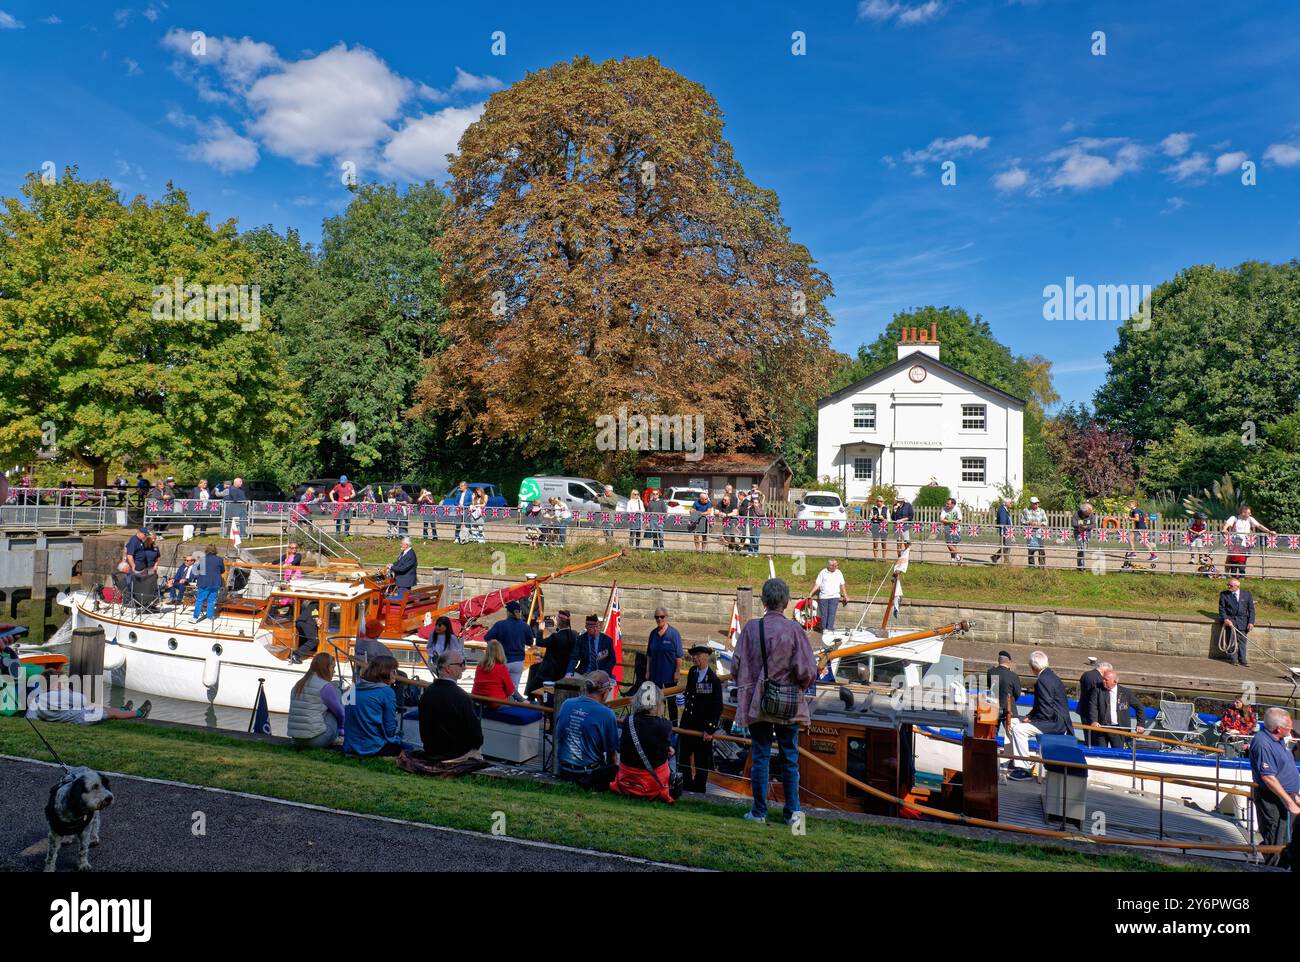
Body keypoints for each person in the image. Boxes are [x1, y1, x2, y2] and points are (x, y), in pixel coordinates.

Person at [733, 577, 817, 824]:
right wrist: (798, 684)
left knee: (760, 756)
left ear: (763, 601)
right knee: (789, 758)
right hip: (789, 702)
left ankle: (759, 812)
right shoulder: (794, 630)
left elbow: (737, 664)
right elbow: (807, 671)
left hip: (758, 703)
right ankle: (792, 813)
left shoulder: (750, 628)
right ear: (787, 602)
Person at [1007, 650, 1072, 780]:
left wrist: (1032, 720)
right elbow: (1039, 705)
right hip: (1054, 719)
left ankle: (1024, 769)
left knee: (1019, 730)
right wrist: (1029, 717)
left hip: (1055, 723)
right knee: (1013, 721)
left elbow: (1046, 709)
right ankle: (1014, 759)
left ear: (1032, 667)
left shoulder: (1042, 681)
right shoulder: (1050, 676)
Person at [1248, 707, 1298, 869]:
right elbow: (1268, 777)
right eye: (1289, 727)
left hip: (1287, 796)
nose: (1291, 730)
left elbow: (1284, 771)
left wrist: (1294, 797)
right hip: (1272, 799)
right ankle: (1274, 868)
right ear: (1278, 728)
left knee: (1288, 838)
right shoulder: (1263, 743)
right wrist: (1289, 801)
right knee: (1276, 839)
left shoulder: (1279, 740)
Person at [610, 682, 677, 802]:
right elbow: (661, 750)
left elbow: (622, 747)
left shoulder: (628, 721)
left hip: (627, 779)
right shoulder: (665, 725)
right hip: (652, 782)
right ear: (657, 703)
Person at [555, 670, 620, 788]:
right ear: (605, 692)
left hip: (563, 769)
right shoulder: (606, 714)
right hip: (588, 775)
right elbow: (612, 754)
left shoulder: (567, 704)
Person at [418, 650, 485, 761]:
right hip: (455, 754)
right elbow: (476, 736)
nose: (464, 668)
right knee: (477, 751)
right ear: (448, 668)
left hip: (431, 750)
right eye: (461, 664)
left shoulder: (427, 692)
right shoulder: (461, 696)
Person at [343, 655, 407, 757]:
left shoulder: (354, 689)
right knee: (409, 749)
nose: (395, 674)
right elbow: (390, 729)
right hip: (371, 748)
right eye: (394, 671)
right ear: (385, 672)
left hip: (350, 746)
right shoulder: (386, 692)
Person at [679, 644, 723, 792]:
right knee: (683, 756)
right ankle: (685, 785)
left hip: (702, 727)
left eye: (697, 655)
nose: (694, 658)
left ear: (706, 657)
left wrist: (710, 729)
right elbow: (690, 693)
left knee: (701, 760)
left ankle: (699, 789)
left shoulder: (713, 680)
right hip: (688, 723)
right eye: (693, 655)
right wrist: (682, 698)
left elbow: (717, 707)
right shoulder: (693, 672)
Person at [25, 672, 150, 723]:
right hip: (82, 718)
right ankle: (139, 713)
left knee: (94, 706)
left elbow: (30, 717)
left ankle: (123, 710)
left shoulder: (37, 699)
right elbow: (82, 700)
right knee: (110, 713)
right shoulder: (59, 695)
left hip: (71, 715)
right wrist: (69, 692)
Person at [287, 652, 346, 749]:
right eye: (333, 667)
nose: (334, 671)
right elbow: (341, 714)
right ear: (326, 668)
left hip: (296, 740)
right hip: (316, 741)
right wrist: (342, 731)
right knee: (335, 711)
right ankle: (340, 738)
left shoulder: (299, 684)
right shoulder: (325, 686)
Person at [526, 609, 578, 699]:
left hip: (550, 671)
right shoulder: (574, 634)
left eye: (557, 619)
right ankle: (532, 696)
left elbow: (539, 642)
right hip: (563, 669)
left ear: (559, 621)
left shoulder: (555, 637)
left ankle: (530, 699)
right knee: (536, 667)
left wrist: (540, 630)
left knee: (535, 669)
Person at [1088, 669, 1145, 749]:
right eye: (1103, 679)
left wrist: (1140, 724)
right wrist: (1094, 721)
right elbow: (1092, 706)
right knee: (1100, 752)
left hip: (1119, 729)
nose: (1103, 681)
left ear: (1114, 682)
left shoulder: (1126, 693)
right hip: (1101, 727)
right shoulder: (1098, 690)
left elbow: (1140, 707)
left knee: (1118, 752)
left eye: (1106, 680)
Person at [646, 607, 684, 723]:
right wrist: (647, 671)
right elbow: (649, 655)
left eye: (661, 617)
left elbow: (679, 656)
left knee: (671, 702)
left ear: (666, 617)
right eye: (656, 617)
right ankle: (658, 723)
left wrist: (677, 672)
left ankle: (674, 725)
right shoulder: (653, 634)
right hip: (655, 674)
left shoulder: (674, 634)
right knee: (657, 701)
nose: (659, 619)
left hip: (670, 675)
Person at [484, 600, 532, 688]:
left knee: (500, 687)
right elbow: (530, 642)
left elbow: (487, 638)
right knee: (514, 689)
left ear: (508, 612)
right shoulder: (525, 626)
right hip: (518, 662)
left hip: (503, 660)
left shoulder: (500, 625)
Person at [985, 651, 1021, 757]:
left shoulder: (990, 672)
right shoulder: (1013, 676)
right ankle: (1010, 758)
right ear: (1008, 662)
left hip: (993, 707)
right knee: (1010, 736)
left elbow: (990, 688)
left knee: (990, 734)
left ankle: (989, 754)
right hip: (1009, 709)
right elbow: (1017, 694)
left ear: (998, 661)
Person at [1223, 506, 1274, 577]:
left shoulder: (1250, 519)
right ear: (1243, 513)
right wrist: (1225, 529)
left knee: (1243, 559)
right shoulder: (1234, 518)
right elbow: (1227, 524)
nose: (1250, 514)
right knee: (1230, 558)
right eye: (1248, 513)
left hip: (1246, 543)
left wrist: (1269, 531)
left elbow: (1259, 526)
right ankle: (1226, 574)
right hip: (1235, 542)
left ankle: (1241, 574)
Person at [472, 640, 525, 704]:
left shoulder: (480, 666)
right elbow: (510, 690)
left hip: (477, 699)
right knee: (513, 699)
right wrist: (523, 700)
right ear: (501, 652)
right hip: (495, 702)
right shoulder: (501, 668)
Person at [1218, 577, 1255, 668]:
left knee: (1242, 642)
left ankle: (1243, 660)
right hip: (1231, 621)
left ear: (1237, 586)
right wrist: (1225, 619)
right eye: (1228, 585)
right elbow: (1222, 609)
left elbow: (1251, 610)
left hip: (1243, 622)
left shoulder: (1247, 594)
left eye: (1230, 585)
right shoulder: (1224, 594)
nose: (1228, 586)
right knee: (1231, 641)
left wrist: (1251, 622)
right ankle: (1233, 659)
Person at [567, 613, 616, 677]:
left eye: (596, 626)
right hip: (584, 672)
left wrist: (605, 671)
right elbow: (574, 657)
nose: (595, 629)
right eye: (591, 627)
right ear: (586, 627)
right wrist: (569, 672)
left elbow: (612, 659)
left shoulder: (607, 640)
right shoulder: (581, 639)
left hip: (601, 673)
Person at [1077, 659, 1111, 745]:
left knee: (1087, 736)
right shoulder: (1099, 679)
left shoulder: (1085, 674)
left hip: (1083, 709)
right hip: (1093, 713)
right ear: (1105, 670)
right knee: (1095, 739)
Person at [809, 559, 847, 632]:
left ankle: (829, 630)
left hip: (834, 597)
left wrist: (845, 595)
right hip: (824, 597)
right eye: (834, 566)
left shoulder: (839, 572)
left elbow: (842, 585)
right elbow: (818, 584)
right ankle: (824, 629)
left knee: (832, 614)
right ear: (829, 565)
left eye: (836, 565)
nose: (835, 567)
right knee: (824, 614)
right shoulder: (823, 572)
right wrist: (811, 593)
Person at [192, 544, 224, 624]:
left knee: (199, 600)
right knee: (211, 601)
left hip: (204, 582)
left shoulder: (202, 559)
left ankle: (195, 618)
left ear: (206, 550)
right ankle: (209, 618)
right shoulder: (219, 559)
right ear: (215, 550)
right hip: (215, 583)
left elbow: (197, 569)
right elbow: (222, 570)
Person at [1126, 498, 1158, 564]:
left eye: (1130, 504)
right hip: (1140, 527)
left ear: (1134, 504)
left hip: (1140, 528)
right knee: (1130, 538)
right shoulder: (1139, 510)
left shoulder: (1135, 511)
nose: (1128, 505)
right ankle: (1133, 553)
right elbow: (1147, 518)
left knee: (1144, 542)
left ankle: (1153, 555)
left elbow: (1137, 519)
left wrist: (1129, 518)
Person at [1021, 496, 1048, 568]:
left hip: (1040, 532)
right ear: (1031, 504)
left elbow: (1045, 521)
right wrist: (1029, 522)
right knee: (1031, 549)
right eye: (1034, 503)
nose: (1036, 504)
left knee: (1041, 549)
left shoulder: (1042, 511)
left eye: (1037, 503)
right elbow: (1022, 521)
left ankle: (1042, 565)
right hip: (1030, 533)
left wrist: (1040, 524)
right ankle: (1031, 565)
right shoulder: (1026, 511)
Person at [1073, 502, 1095, 572]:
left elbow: (1094, 525)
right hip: (1078, 534)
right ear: (1084, 511)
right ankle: (1081, 567)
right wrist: (1082, 525)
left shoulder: (1091, 515)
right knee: (1080, 549)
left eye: (1090, 513)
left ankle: (1081, 566)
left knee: (1084, 550)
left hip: (1086, 534)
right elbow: (1074, 523)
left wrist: (1086, 527)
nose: (1089, 514)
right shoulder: (1076, 514)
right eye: (1088, 513)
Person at [940, 498, 963, 563]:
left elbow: (959, 519)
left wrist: (955, 521)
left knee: (953, 544)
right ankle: (958, 557)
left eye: (948, 504)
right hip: (947, 528)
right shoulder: (944, 509)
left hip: (955, 528)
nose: (946, 505)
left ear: (953, 504)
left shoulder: (957, 509)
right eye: (946, 503)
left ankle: (953, 559)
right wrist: (952, 521)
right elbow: (942, 519)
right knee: (948, 543)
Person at [991, 497, 1014, 564]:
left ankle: (995, 557)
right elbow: (1002, 522)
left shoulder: (1004, 509)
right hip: (1005, 532)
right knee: (1007, 546)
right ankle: (1006, 561)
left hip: (1007, 531)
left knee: (1006, 546)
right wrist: (1003, 532)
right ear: (1006, 503)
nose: (1011, 504)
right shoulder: (1002, 510)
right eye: (1010, 502)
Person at [869, 496, 889, 560]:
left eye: (880, 501)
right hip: (875, 526)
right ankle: (875, 558)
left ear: (883, 502)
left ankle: (884, 558)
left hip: (883, 526)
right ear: (876, 502)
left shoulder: (886, 508)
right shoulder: (873, 508)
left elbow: (889, 519)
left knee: (884, 543)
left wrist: (883, 518)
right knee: (875, 543)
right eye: (877, 501)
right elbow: (870, 518)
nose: (879, 502)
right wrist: (873, 517)